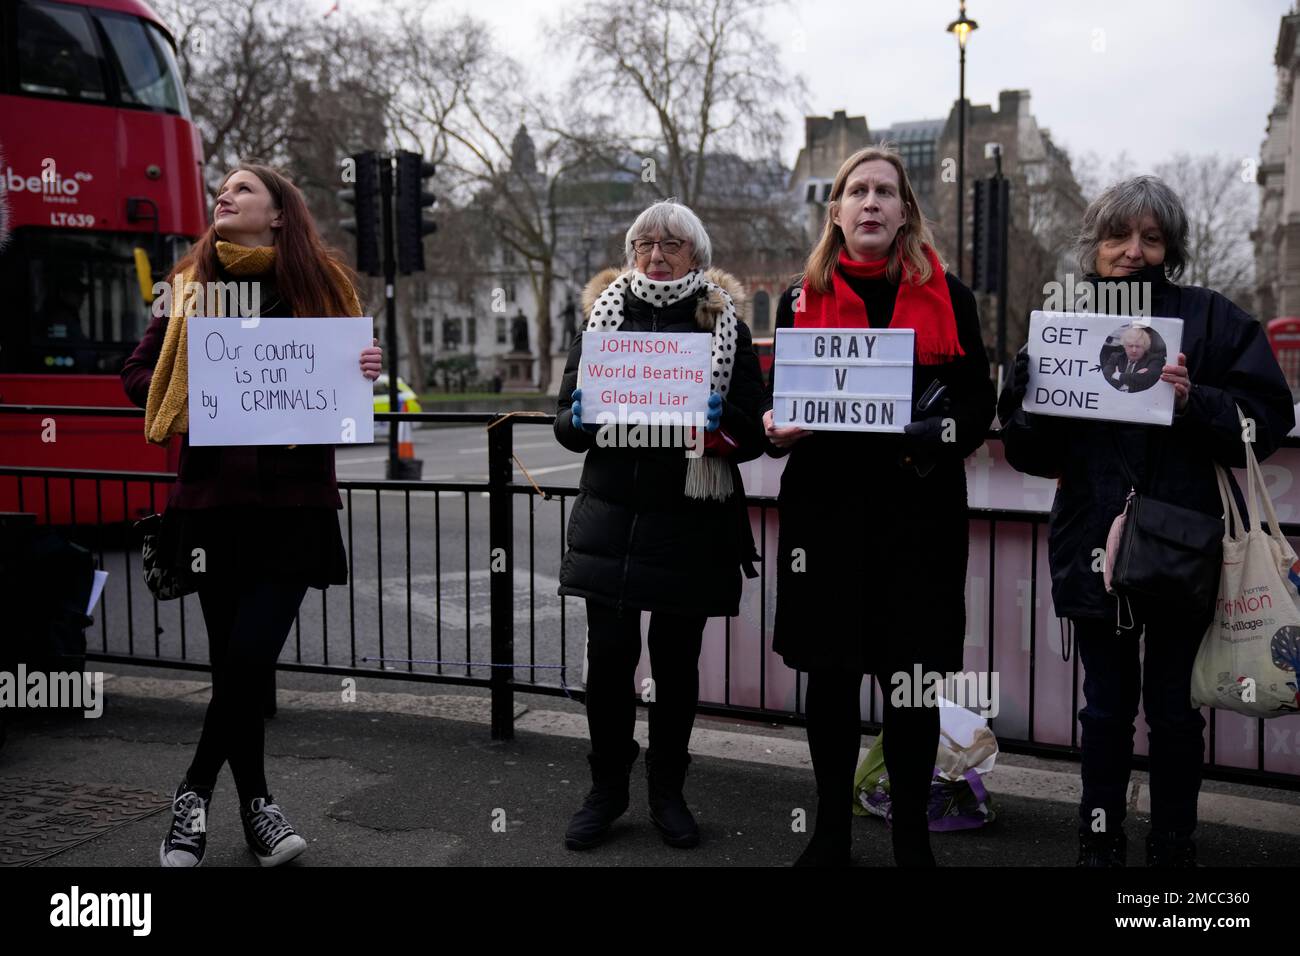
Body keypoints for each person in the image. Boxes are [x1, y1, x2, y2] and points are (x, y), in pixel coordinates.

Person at [997, 175, 1294, 866]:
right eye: (1117, 235)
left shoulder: (1214, 318)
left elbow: (1266, 422)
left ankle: (1173, 847)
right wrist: (1040, 403)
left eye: (1151, 238)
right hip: (1093, 545)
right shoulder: (1062, 324)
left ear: (1171, 249)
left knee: (1172, 712)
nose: (1133, 251)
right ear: (1093, 246)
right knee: (1103, 709)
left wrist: (1197, 403)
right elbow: (1024, 449)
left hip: (1183, 550)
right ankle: (1098, 840)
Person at [121, 163, 382, 867]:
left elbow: (343, 377)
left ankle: (192, 794)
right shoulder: (183, 290)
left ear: (277, 214)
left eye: (241, 189)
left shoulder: (325, 288)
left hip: (295, 507)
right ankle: (260, 809)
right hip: (212, 506)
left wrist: (364, 369)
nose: (223, 196)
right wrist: (198, 380)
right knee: (236, 670)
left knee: (245, 660)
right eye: (221, 189)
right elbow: (136, 374)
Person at [764, 147, 994, 867]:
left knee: (913, 684)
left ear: (904, 212)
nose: (870, 202)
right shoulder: (798, 297)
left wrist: (921, 431)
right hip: (825, 519)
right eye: (856, 191)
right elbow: (781, 411)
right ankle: (831, 830)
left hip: (917, 520)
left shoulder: (950, 295)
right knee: (829, 682)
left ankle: (910, 839)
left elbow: (977, 408)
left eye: (884, 192)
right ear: (834, 211)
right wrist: (776, 430)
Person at [554, 199, 766, 851]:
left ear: (696, 256)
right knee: (610, 666)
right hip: (611, 523)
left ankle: (668, 791)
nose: (656, 254)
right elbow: (564, 423)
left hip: (691, 523)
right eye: (644, 243)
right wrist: (583, 416)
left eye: (671, 244)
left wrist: (720, 429)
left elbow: (752, 430)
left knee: (676, 669)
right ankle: (607, 788)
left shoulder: (723, 322)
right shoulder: (600, 316)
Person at [1102, 326, 1162, 393]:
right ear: (1124, 346)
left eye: (1138, 346)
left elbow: (1147, 380)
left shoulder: (1155, 360)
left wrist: (1117, 375)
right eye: (1130, 346)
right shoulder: (1116, 357)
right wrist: (1135, 377)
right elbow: (1106, 376)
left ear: (1145, 347)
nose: (1134, 350)